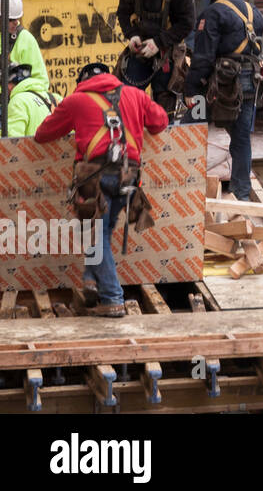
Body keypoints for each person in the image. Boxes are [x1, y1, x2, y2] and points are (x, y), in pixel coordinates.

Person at [35, 60, 169, 318]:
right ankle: (90, 280)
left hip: (95, 179)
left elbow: (43, 134)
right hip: (129, 178)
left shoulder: (75, 101)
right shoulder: (136, 95)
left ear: (83, 82)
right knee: (100, 233)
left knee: (96, 236)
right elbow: (160, 122)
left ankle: (112, 298)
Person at [185, 0, 263, 202]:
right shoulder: (256, 13)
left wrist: (191, 89)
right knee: (241, 139)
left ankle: (184, 183)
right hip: (250, 84)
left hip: (218, 87)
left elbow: (202, 59)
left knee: (190, 128)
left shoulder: (211, 14)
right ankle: (241, 195)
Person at [114, 0, 195, 115]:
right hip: (140, 51)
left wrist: (159, 42)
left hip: (168, 52)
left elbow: (187, 23)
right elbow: (123, 13)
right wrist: (132, 34)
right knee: (128, 97)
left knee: (164, 104)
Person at [4, 0, 48, 91]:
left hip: (14, 99)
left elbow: (41, 81)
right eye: (10, 19)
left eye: (17, 18)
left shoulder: (25, 39)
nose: (16, 22)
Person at [5, 62, 58, 137]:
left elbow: (13, 141)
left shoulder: (18, 101)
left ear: (9, 85)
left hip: (32, 149)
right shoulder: (55, 98)